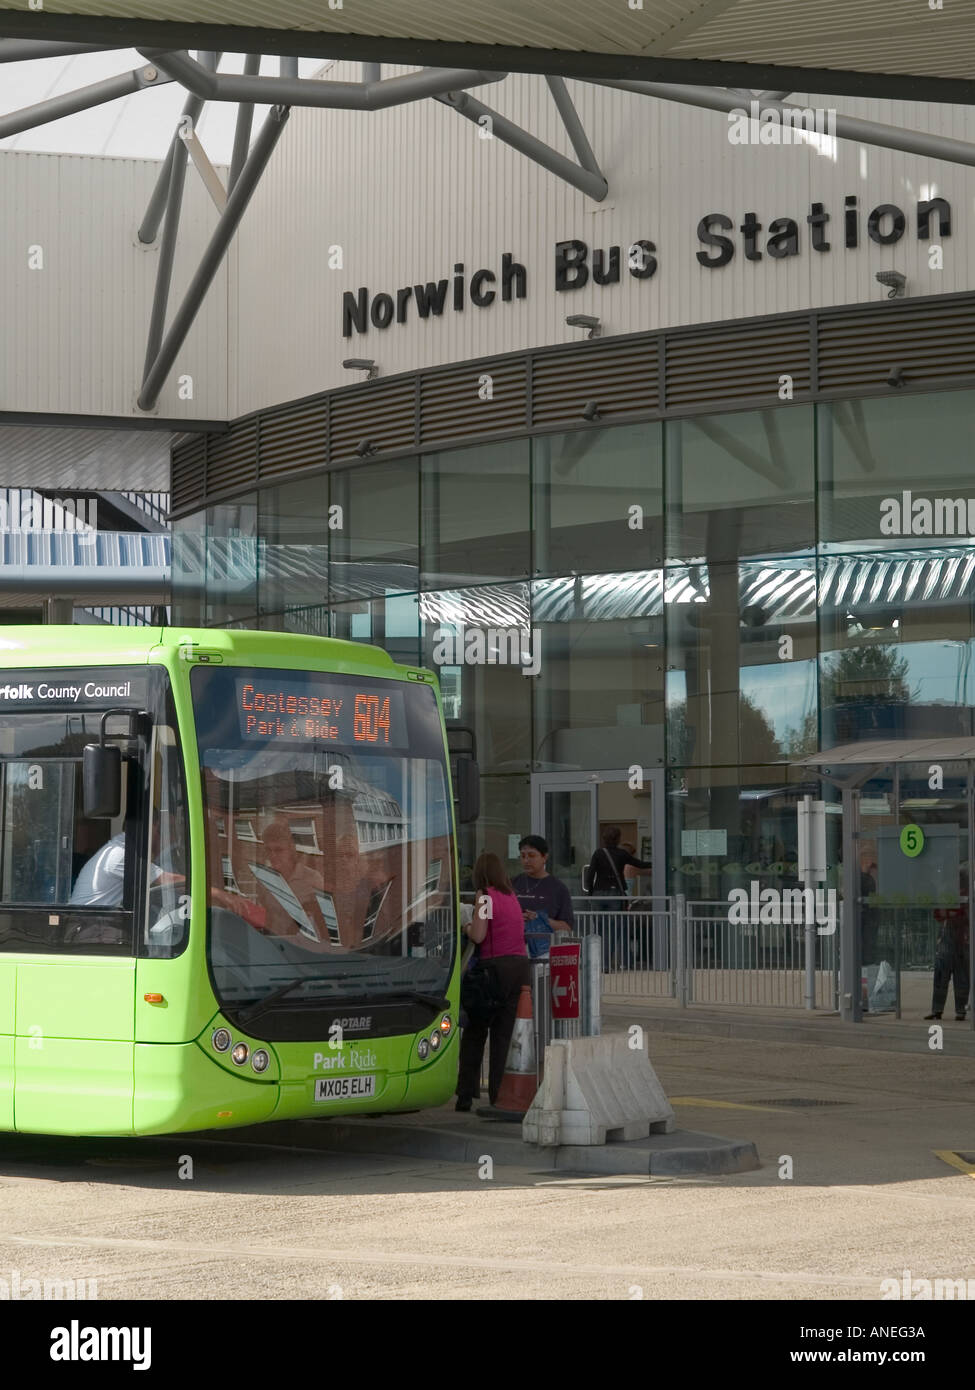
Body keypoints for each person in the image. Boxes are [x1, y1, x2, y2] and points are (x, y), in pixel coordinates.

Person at [456, 851, 531, 1112]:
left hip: (494, 970)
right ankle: (498, 1097)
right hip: (520, 968)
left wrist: (465, 926)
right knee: (502, 1036)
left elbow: (478, 934)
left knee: (475, 1032)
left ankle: (465, 1094)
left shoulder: (484, 895)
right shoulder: (512, 896)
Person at [586, 826, 652, 969]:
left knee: (599, 930)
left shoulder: (598, 853)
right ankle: (605, 964)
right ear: (618, 839)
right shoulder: (621, 854)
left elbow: (590, 873)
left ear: (604, 839)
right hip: (615, 894)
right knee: (613, 931)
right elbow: (640, 864)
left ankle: (598, 964)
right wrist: (660, 862)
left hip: (598, 894)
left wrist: (590, 893)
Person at [510, 834, 574, 959]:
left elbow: (566, 926)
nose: (526, 860)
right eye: (523, 856)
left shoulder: (558, 888)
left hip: (545, 953)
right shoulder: (512, 883)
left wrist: (541, 919)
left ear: (544, 857)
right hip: (514, 950)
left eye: (532, 855)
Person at [925, 883, 970, 1022]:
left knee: (960, 977)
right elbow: (938, 913)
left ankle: (959, 1010)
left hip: (961, 939)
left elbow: (962, 913)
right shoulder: (947, 892)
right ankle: (939, 1010)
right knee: (942, 976)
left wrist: (949, 914)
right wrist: (952, 914)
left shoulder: (965, 893)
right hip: (951, 940)